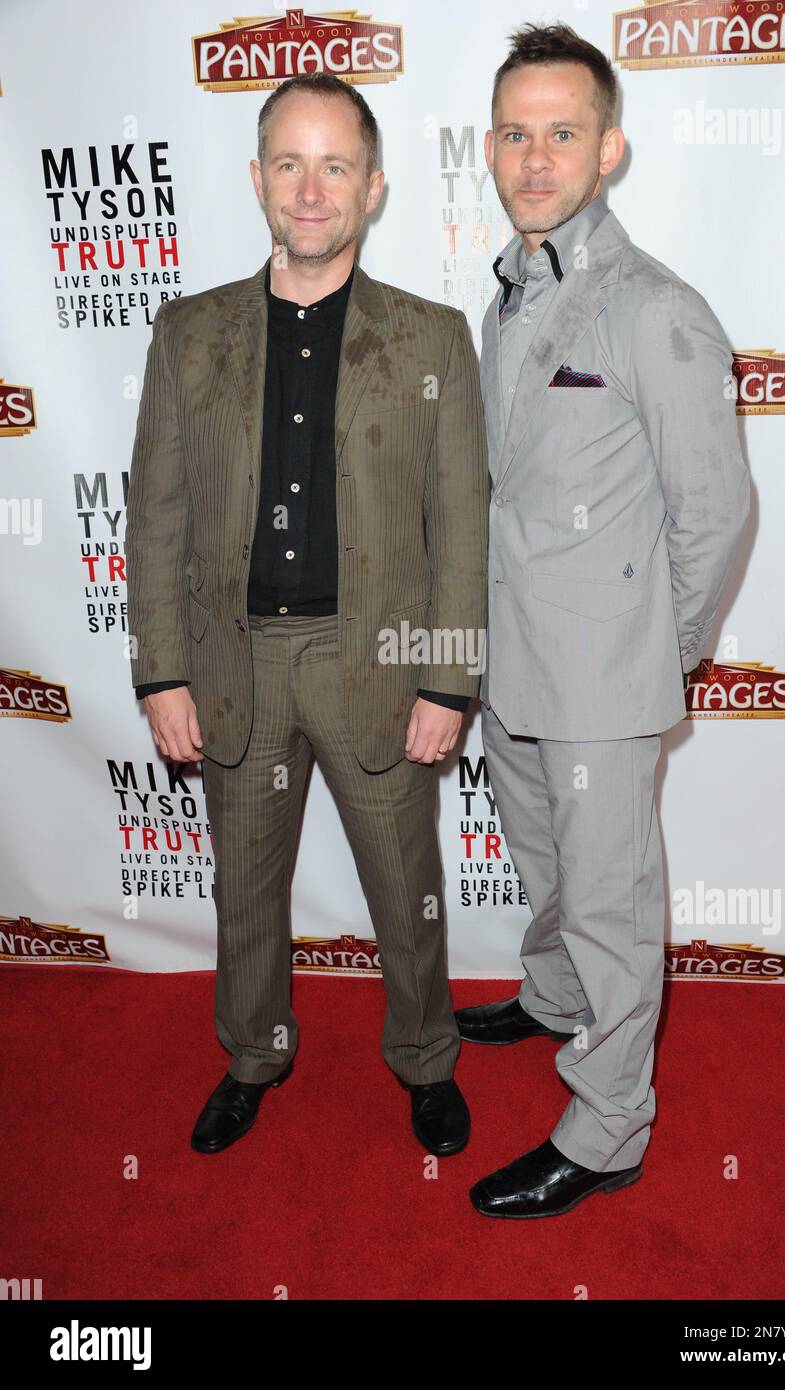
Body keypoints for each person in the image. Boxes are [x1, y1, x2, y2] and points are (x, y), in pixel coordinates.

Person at [125, 73, 488, 1158]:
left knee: (405, 885)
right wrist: (161, 671)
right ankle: (252, 1052)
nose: (312, 187)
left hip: (376, 659)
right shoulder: (187, 333)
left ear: (373, 187)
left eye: (336, 164)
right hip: (234, 661)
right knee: (245, 892)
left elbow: (459, 523)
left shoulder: (432, 339)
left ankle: (425, 1057)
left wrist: (447, 679)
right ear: (256, 179)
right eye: (290, 162)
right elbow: (157, 514)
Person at [456, 22, 751, 1218]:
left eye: (562, 133)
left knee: (611, 902)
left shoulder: (657, 308)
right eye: (517, 135)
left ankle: (611, 1122)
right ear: (488, 147)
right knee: (548, 872)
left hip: (603, 681)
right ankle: (553, 998)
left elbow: (717, 514)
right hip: (510, 662)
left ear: (610, 148)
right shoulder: (508, 295)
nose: (537, 158)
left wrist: (652, 661)